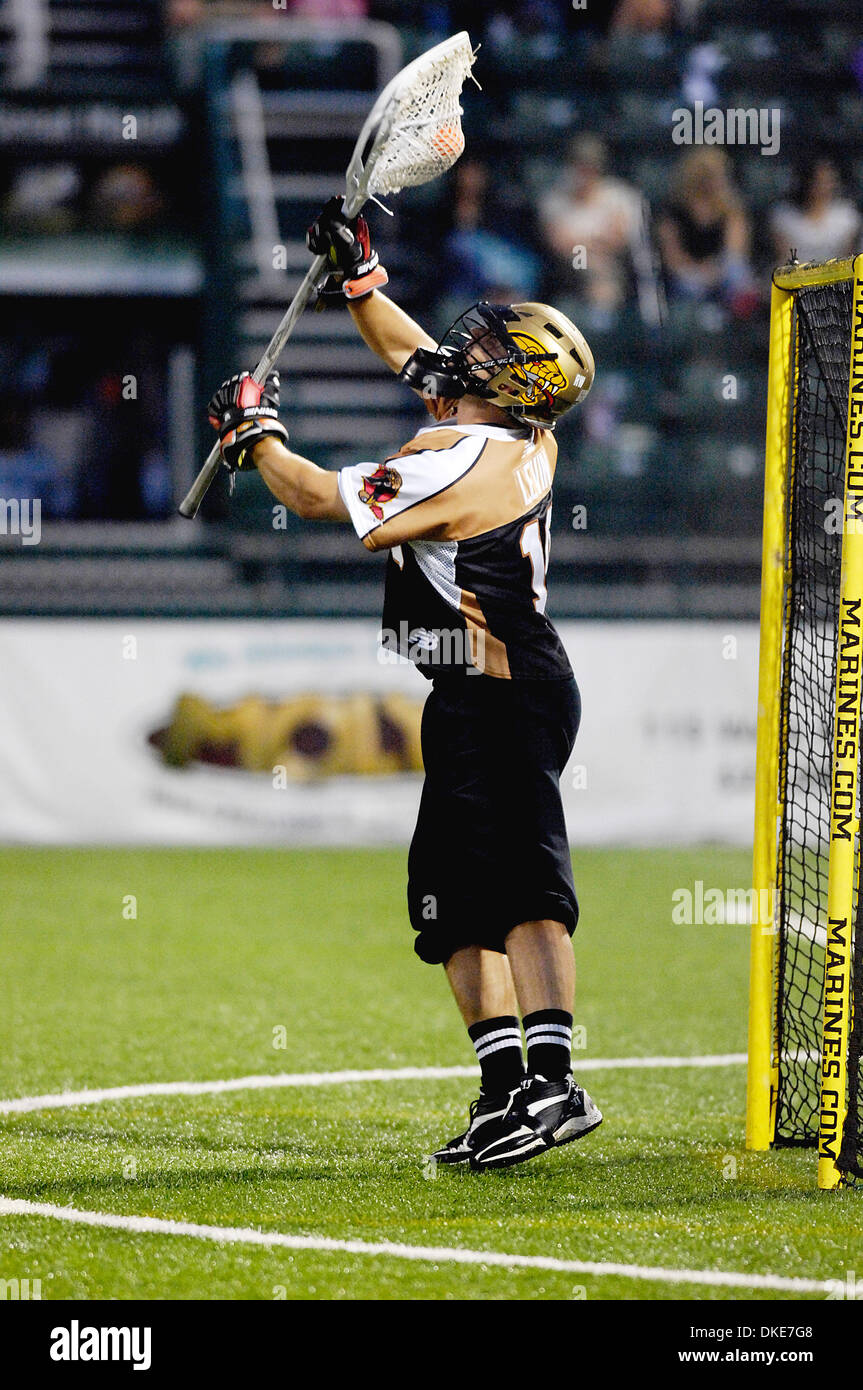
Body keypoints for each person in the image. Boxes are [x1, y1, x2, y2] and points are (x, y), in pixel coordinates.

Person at [205, 198, 602, 1170]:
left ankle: (554, 1084)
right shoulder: (515, 434)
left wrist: (252, 433)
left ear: (503, 385)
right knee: (452, 901)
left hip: (502, 683)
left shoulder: (455, 456)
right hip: (468, 687)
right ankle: (502, 1088)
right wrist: (360, 278)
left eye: (479, 353)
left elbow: (307, 494)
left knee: (521, 887)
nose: (457, 357)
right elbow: (415, 358)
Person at [539, 134, 643, 317]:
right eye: (578, 165)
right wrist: (596, 242)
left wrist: (582, 241)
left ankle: (604, 324)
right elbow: (559, 244)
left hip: (614, 264)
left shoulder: (620, 195)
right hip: (570, 270)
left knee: (604, 273)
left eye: (590, 165)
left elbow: (619, 239)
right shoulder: (554, 200)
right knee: (587, 264)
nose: (584, 171)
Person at [656, 147, 757, 314]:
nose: (712, 181)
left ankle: (743, 318)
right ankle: (702, 323)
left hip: (721, 269)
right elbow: (672, 257)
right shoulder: (672, 210)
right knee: (691, 286)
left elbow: (735, 251)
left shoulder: (732, 208)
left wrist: (714, 270)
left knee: (737, 272)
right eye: (707, 176)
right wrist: (698, 270)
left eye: (718, 175)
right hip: (687, 272)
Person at [770, 156, 861, 267]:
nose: (822, 187)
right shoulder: (784, 215)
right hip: (794, 278)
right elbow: (785, 258)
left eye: (828, 181)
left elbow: (847, 257)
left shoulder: (846, 215)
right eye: (818, 181)